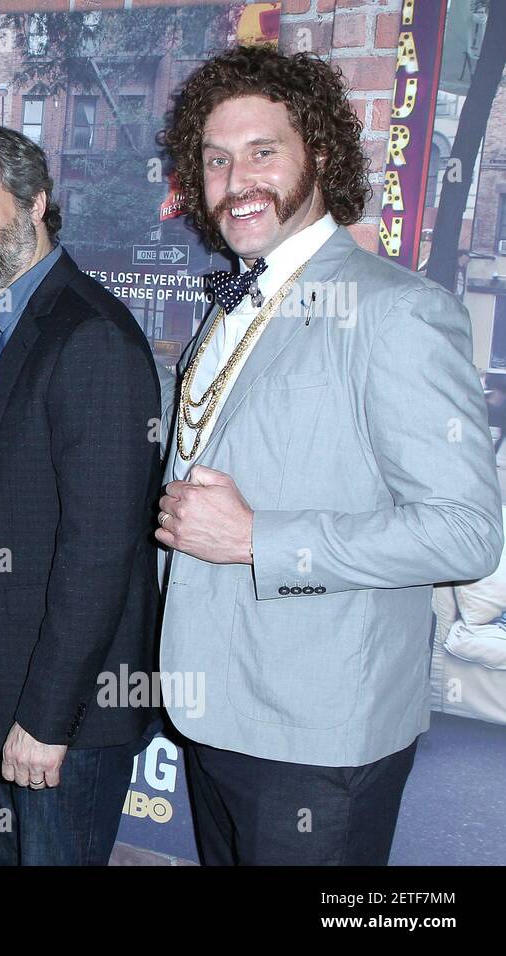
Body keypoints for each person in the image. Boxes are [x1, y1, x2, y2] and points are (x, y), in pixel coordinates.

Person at [155, 46, 503, 865]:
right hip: (214, 710)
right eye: (216, 159)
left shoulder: (397, 313)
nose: (236, 178)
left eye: (263, 152)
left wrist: (258, 540)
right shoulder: (230, 302)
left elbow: (465, 533)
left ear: (320, 155)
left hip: (319, 738)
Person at [0, 124, 162, 866]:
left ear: (37, 203)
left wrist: (48, 719)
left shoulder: (90, 337)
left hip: (62, 715)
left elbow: (100, 554)